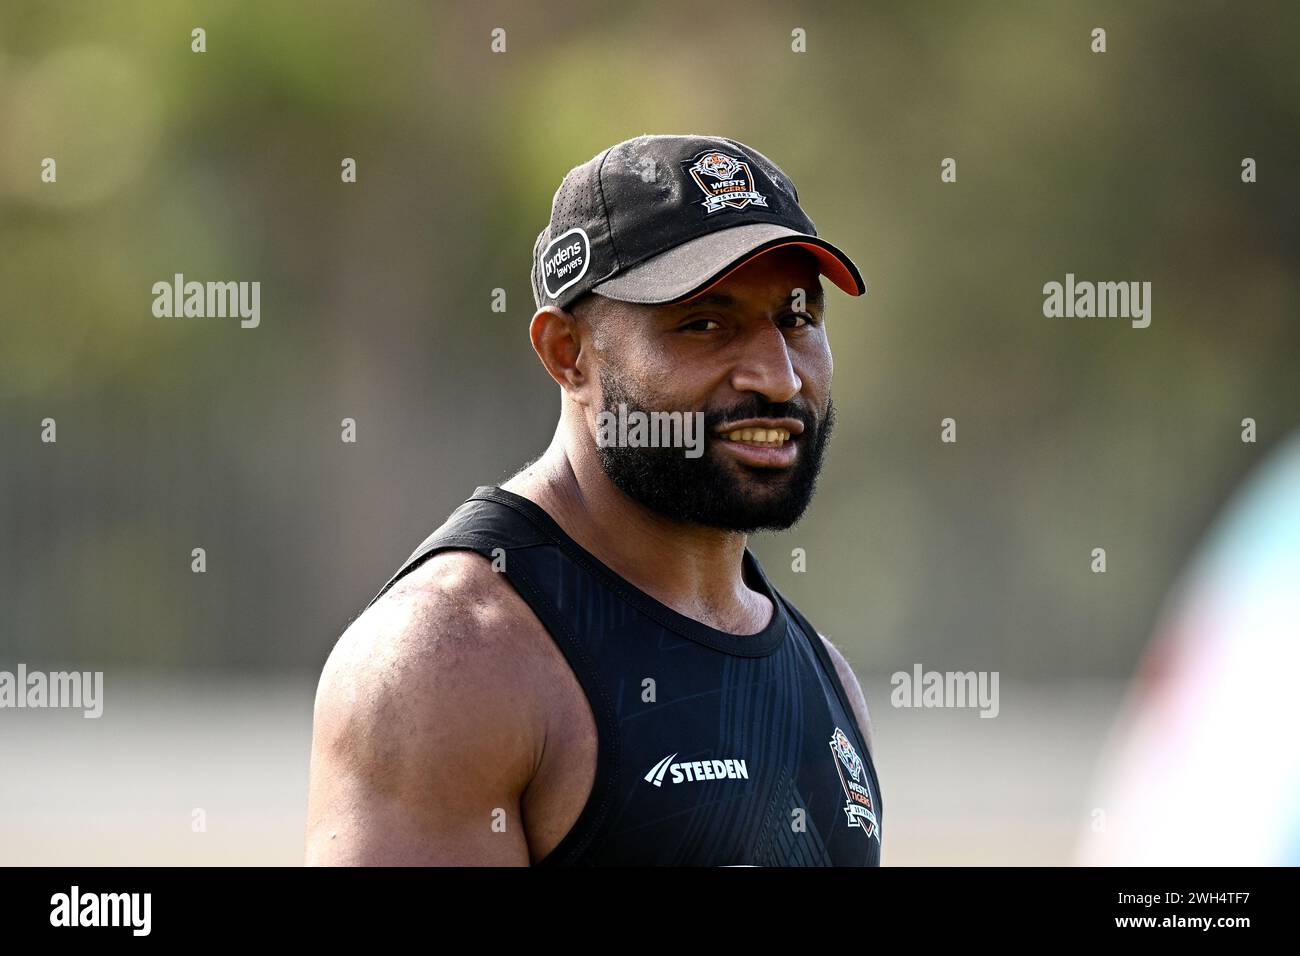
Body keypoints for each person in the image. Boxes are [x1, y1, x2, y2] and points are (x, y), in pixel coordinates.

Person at [305, 134, 882, 865]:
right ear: (568, 355)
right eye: (705, 323)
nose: (777, 377)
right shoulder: (445, 665)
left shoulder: (826, 678)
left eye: (796, 320)